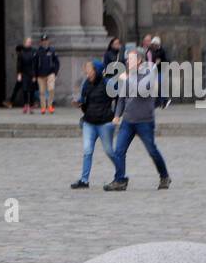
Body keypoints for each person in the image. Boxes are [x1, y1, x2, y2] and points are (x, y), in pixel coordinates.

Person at [105, 48, 170, 191]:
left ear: (139, 60)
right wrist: (117, 115)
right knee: (119, 151)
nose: (127, 61)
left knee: (152, 151)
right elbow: (122, 98)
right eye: (127, 59)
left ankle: (164, 176)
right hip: (128, 121)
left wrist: (127, 79)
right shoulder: (127, 75)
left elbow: (142, 91)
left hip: (145, 121)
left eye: (130, 59)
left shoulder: (148, 74)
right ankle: (120, 180)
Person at [70, 60, 115, 189]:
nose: (86, 72)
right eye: (86, 69)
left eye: (89, 69)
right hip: (89, 122)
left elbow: (119, 98)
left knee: (109, 151)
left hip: (104, 123)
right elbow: (84, 100)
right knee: (87, 151)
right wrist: (79, 103)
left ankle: (121, 174)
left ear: (96, 70)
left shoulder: (108, 83)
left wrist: (116, 115)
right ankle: (84, 181)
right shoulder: (86, 83)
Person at [34, 34, 60, 114]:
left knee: (51, 89)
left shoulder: (52, 50)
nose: (44, 42)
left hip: (50, 73)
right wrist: (35, 75)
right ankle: (43, 107)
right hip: (40, 75)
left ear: (48, 41)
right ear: (41, 42)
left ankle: (50, 105)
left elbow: (57, 62)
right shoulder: (38, 51)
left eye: (46, 40)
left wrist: (55, 72)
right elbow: (34, 64)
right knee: (42, 92)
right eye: (43, 41)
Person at [14, 36, 38, 113]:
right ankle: (25, 105)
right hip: (24, 73)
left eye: (30, 42)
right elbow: (19, 64)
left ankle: (31, 106)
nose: (29, 43)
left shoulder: (34, 51)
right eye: (28, 42)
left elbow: (35, 64)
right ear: (24, 43)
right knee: (24, 89)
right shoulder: (21, 53)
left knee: (31, 91)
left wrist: (35, 75)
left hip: (32, 73)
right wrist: (19, 74)